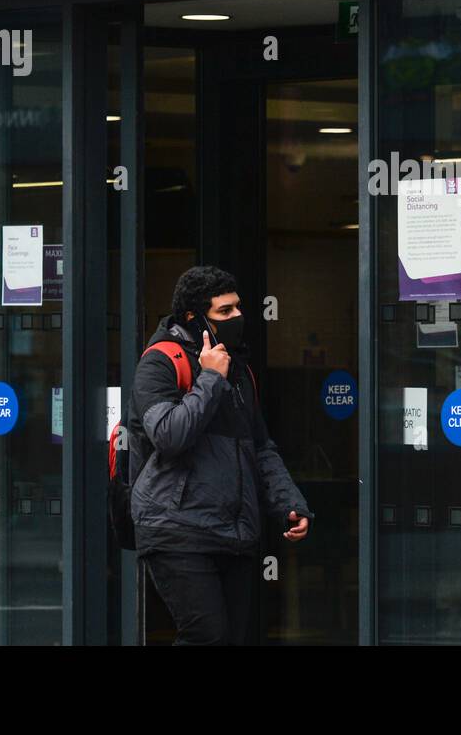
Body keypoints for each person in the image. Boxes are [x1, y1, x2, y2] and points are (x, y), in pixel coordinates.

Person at [128, 264, 312, 645]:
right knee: (206, 637)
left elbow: (260, 447)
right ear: (195, 319)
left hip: (232, 529)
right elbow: (168, 435)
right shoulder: (160, 362)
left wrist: (288, 503)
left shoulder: (239, 371)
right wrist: (210, 378)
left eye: (238, 308)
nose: (237, 317)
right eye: (224, 312)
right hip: (175, 528)